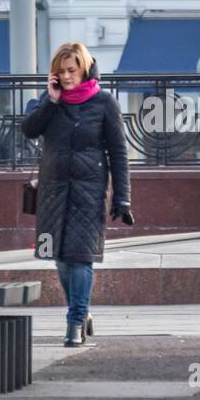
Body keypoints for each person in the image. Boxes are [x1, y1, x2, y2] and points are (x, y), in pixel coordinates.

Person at [22, 42, 133, 347]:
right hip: (53, 192)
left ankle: (75, 323)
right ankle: (82, 312)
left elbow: (118, 153)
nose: (67, 76)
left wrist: (122, 197)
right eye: (61, 71)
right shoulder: (49, 100)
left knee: (81, 258)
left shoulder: (104, 103)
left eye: (72, 70)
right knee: (59, 258)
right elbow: (29, 130)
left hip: (89, 191)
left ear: (84, 69)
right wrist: (51, 101)